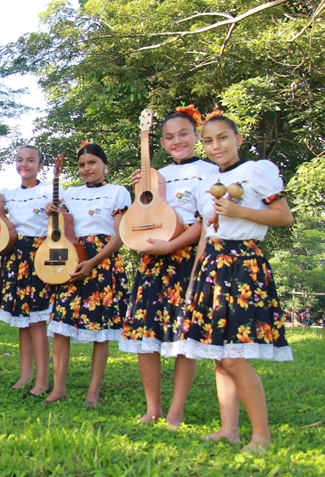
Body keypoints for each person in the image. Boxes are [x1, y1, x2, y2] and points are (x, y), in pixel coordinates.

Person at [179, 112, 293, 452]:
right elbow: (205, 234)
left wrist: (241, 212)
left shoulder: (256, 171)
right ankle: (229, 429)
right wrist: (194, 278)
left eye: (223, 138)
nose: (216, 146)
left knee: (233, 356)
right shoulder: (206, 181)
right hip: (212, 266)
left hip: (242, 264)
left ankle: (262, 435)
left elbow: (284, 216)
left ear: (238, 139)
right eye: (209, 141)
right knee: (218, 353)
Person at [119, 106, 219, 428]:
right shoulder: (155, 174)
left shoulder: (209, 172)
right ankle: (153, 408)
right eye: (169, 136)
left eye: (183, 134)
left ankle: (176, 411)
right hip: (151, 261)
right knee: (145, 334)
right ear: (160, 142)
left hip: (186, 259)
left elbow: (205, 222)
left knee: (181, 339)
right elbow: (141, 218)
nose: (177, 141)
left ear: (196, 136)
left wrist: (172, 246)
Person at [44, 142, 131, 407]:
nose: (87, 169)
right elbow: (61, 229)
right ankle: (58, 388)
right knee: (61, 326)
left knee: (100, 329)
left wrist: (93, 262)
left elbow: (121, 235)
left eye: (92, 163)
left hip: (101, 261)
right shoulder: (70, 193)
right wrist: (51, 213)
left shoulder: (118, 193)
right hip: (71, 258)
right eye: (82, 165)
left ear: (104, 165)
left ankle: (93, 391)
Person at [0, 145, 55, 396]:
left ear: (40, 165)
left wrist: (54, 212)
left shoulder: (50, 191)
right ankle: (25, 375)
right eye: (20, 160)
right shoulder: (7, 194)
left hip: (41, 255)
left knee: (37, 322)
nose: (24, 164)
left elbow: (62, 223)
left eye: (31, 160)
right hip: (14, 256)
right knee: (22, 322)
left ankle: (43, 380)